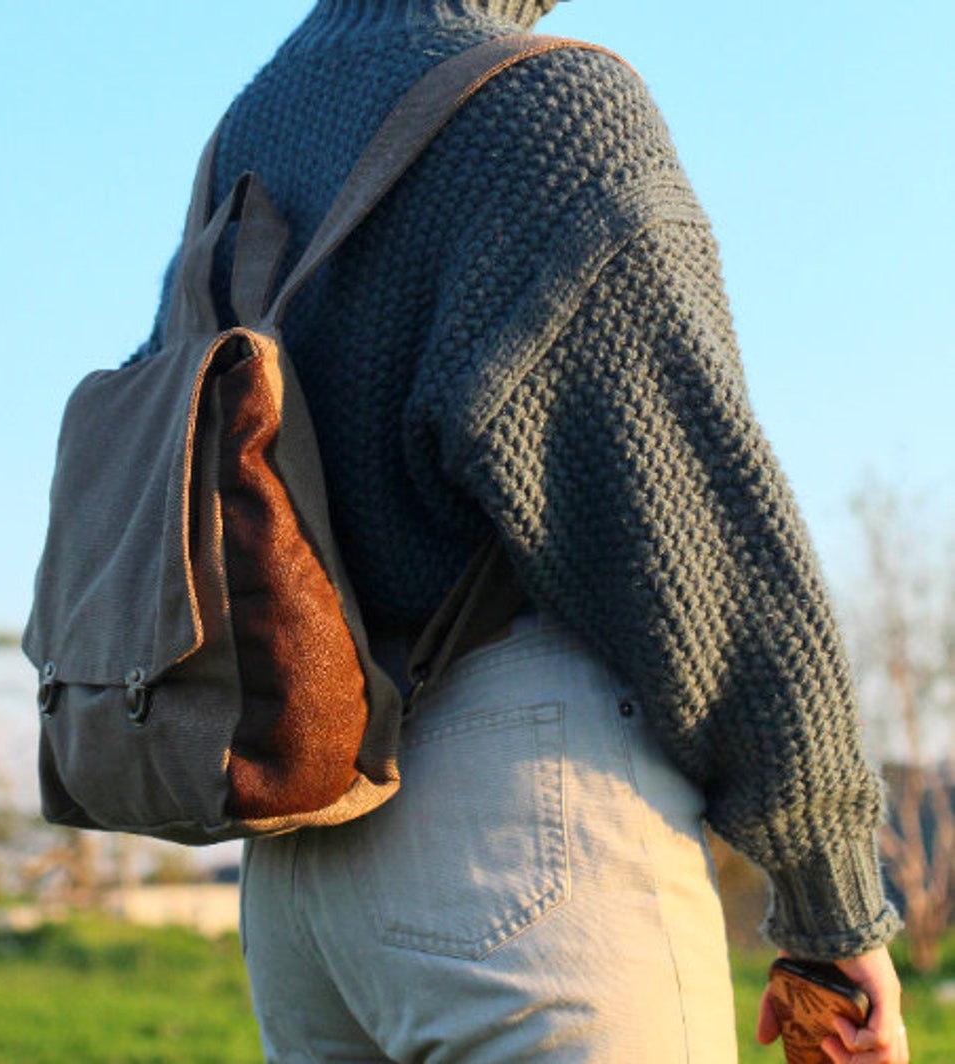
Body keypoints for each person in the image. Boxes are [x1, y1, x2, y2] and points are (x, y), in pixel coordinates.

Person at [130, 2, 906, 1060]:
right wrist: (829, 895)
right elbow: (693, 531)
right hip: (519, 835)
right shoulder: (551, 109)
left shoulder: (251, 128)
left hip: (298, 858)